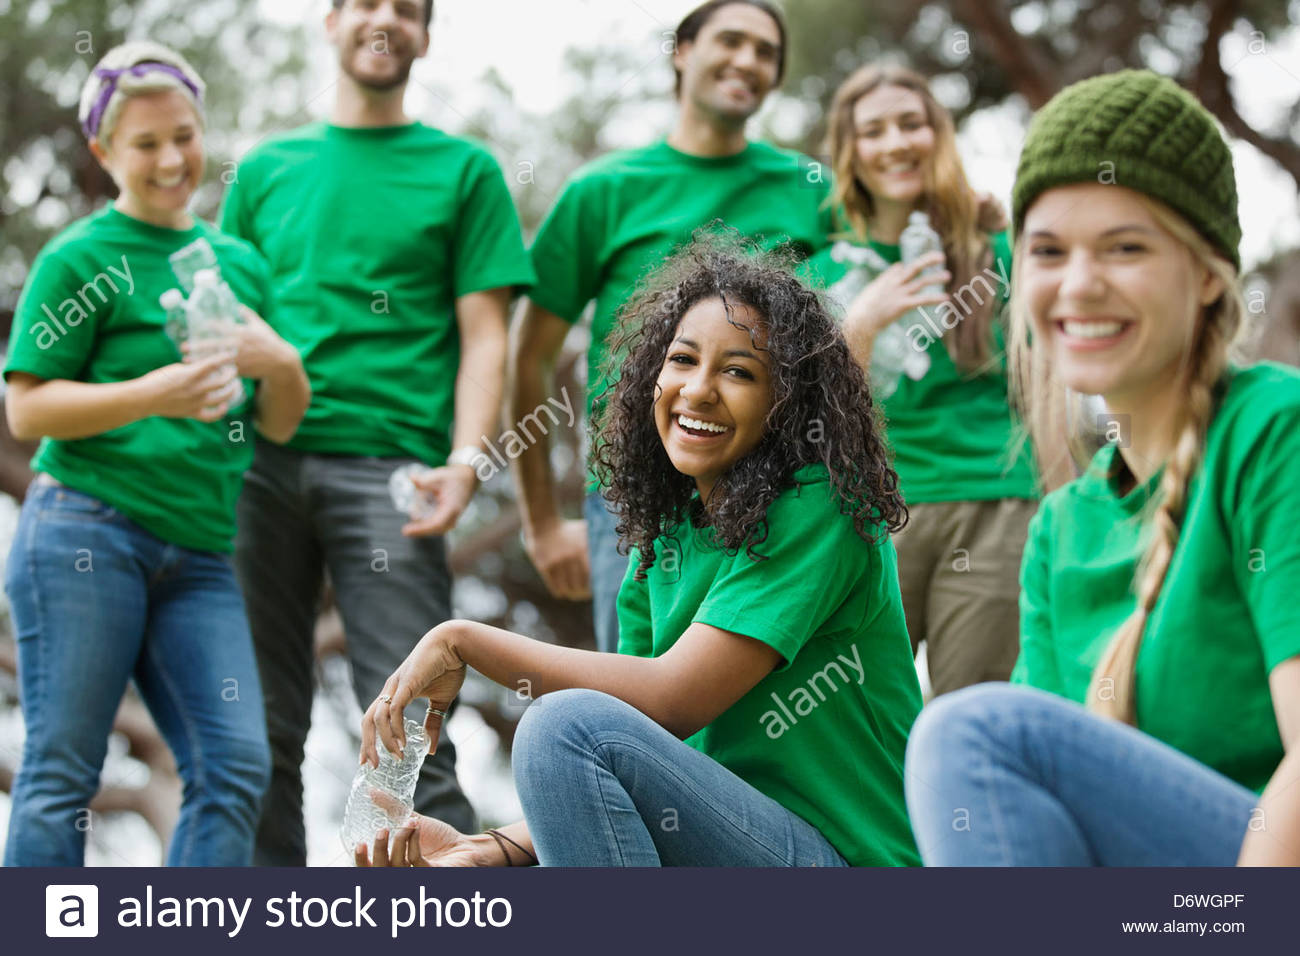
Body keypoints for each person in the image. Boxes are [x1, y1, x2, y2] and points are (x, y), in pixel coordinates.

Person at [353, 237, 922, 867]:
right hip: (733, 853)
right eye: (682, 359)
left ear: (789, 402)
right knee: (563, 741)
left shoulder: (820, 506)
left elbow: (671, 700)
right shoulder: (663, 540)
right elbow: (635, 748)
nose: (698, 390)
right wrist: (491, 850)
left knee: (557, 725)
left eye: (739, 372)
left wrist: (462, 640)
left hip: (843, 866)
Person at [904, 70, 1300, 866]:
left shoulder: (1272, 429)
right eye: (1048, 251)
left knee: (967, 730)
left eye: (1125, 246)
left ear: (1209, 274)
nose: (1079, 284)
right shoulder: (1061, 527)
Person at [219, 0, 535, 864]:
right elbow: (223, 324)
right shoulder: (263, 171)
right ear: (330, 20)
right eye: (366, 2)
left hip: (393, 474)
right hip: (256, 469)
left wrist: (468, 462)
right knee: (253, 733)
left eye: (408, 8)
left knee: (407, 735)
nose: (385, 19)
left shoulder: (464, 172)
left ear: (427, 36)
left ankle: (444, 912)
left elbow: (484, 339)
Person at [3, 41, 310, 866]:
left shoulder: (240, 265)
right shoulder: (78, 259)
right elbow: (27, 408)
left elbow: (278, 422)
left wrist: (281, 364)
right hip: (84, 532)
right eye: (145, 144)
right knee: (63, 767)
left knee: (239, 764)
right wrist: (156, 393)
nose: (172, 158)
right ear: (105, 153)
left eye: (184, 135)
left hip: (201, 555)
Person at [510, 0, 832, 653]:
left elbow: (880, 279)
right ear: (682, 52)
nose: (747, 61)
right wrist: (542, 522)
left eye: (766, 52)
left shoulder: (812, 190)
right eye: (731, 41)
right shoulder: (604, 191)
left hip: (782, 489)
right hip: (634, 501)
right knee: (631, 714)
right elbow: (529, 356)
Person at [803, 65, 1039, 697]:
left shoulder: (998, 254)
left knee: (973, 715)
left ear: (938, 135)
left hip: (997, 506)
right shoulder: (822, 278)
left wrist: (1066, 513)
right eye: (873, 131)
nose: (895, 143)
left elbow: (1046, 393)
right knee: (858, 712)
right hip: (874, 518)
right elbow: (813, 426)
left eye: (911, 124)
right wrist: (868, 320)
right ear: (851, 153)